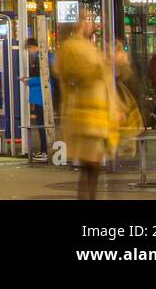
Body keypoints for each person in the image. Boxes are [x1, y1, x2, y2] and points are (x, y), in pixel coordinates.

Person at [54, 16, 117, 200]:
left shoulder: (88, 47)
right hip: (86, 113)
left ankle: (89, 197)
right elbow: (72, 76)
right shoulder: (71, 48)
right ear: (79, 24)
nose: (92, 24)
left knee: (92, 163)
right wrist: (102, 66)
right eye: (87, 20)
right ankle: (88, 197)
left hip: (97, 112)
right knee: (91, 162)